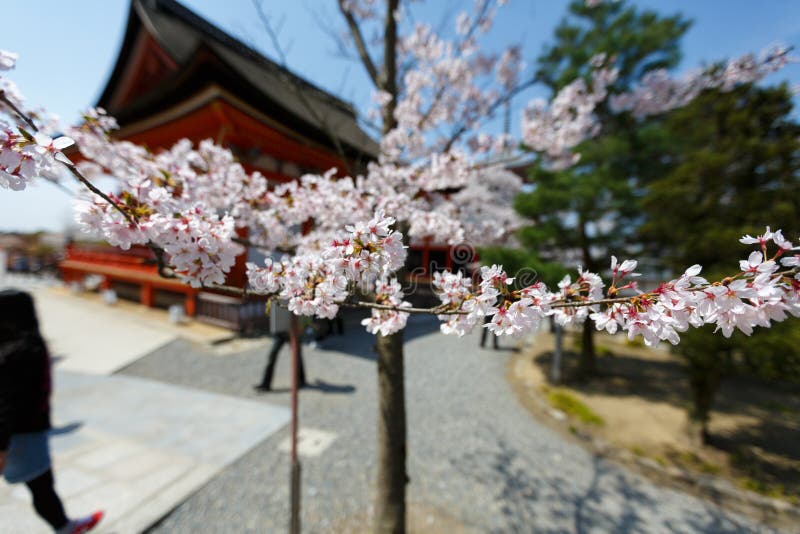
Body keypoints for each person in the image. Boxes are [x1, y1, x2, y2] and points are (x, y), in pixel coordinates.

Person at [0, 290, 104, 534]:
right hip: (21, 434)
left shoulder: (16, 347)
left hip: (25, 430)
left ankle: (64, 526)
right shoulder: (24, 349)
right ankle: (65, 527)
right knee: (41, 486)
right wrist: (1, 446)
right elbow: (7, 403)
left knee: (41, 486)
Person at [254, 303, 307, 392]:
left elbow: (301, 310)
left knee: (297, 356)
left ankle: (301, 380)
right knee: (272, 356)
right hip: (280, 331)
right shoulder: (275, 298)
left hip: (293, 330)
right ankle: (265, 383)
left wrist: (302, 326)